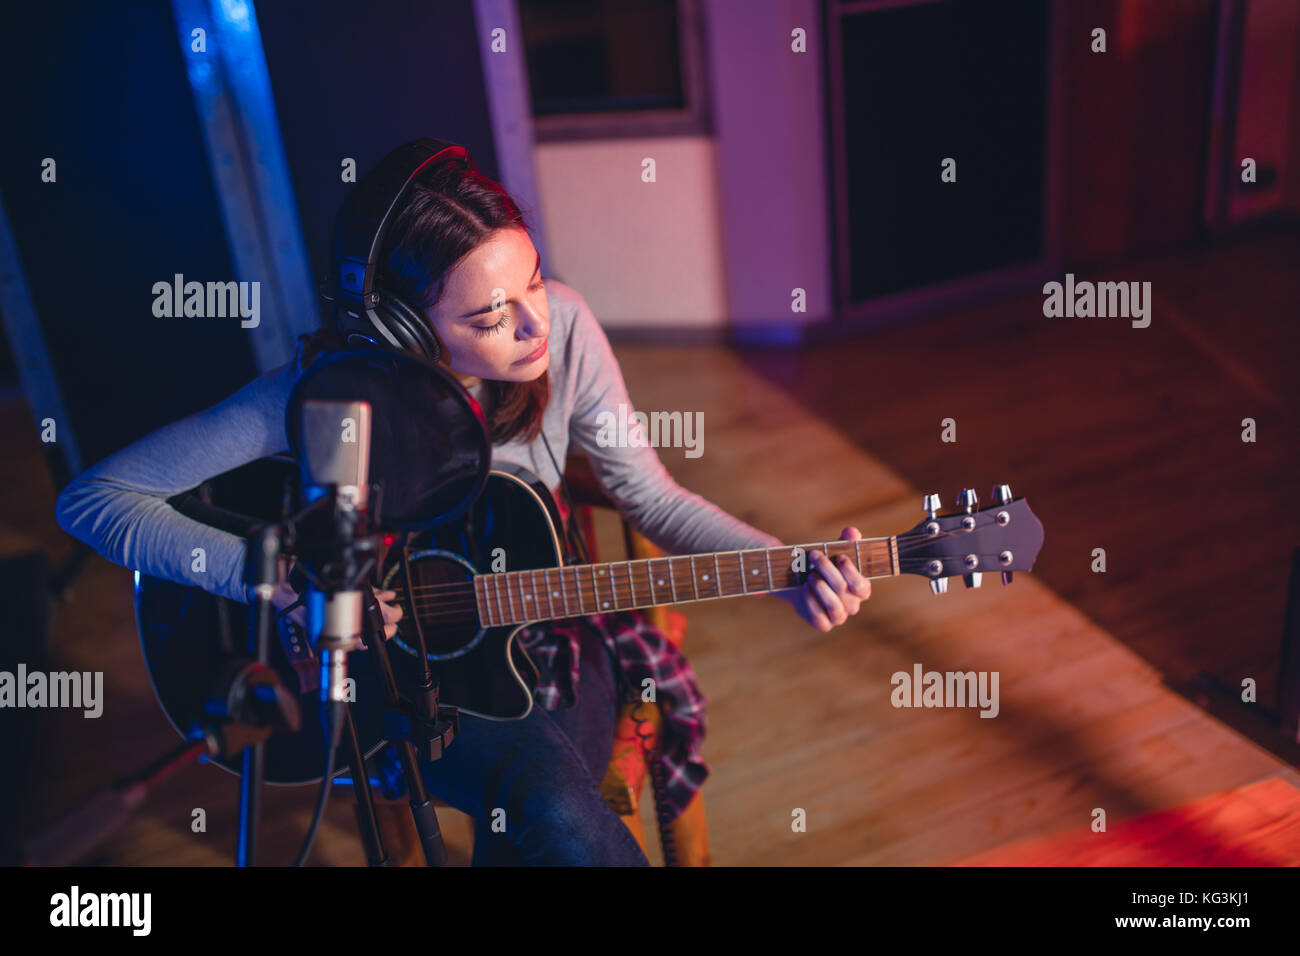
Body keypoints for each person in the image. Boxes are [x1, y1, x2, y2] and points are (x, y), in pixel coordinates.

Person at [55, 149, 872, 865]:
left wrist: (790, 573)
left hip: (539, 638)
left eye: (534, 280)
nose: (534, 322)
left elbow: (648, 494)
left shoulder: (571, 328)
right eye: (489, 316)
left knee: (542, 815)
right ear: (405, 333)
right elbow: (94, 501)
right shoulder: (319, 397)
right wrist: (273, 583)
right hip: (387, 684)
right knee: (549, 806)